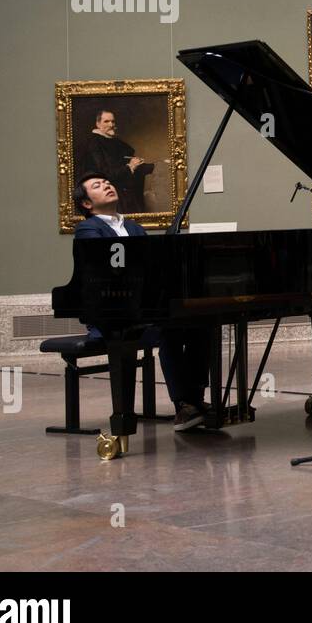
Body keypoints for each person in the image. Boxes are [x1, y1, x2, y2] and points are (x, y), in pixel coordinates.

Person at [72, 172, 213, 432]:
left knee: (202, 323)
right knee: (168, 328)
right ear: (87, 204)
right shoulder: (88, 229)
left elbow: (153, 265)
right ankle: (182, 405)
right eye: (97, 186)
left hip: (144, 309)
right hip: (113, 314)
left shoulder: (134, 227)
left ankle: (195, 398)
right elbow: (107, 269)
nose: (107, 185)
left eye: (108, 182)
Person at [78, 110, 154, 214]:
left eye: (113, 122)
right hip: (108, 197)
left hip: (125, 195)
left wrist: (157, 165)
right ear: (98, 124)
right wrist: (130, 166)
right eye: (106, 121)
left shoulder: (115, 142)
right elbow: (104, 173)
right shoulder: (93, 143)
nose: (111, 125)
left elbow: (128, 162)